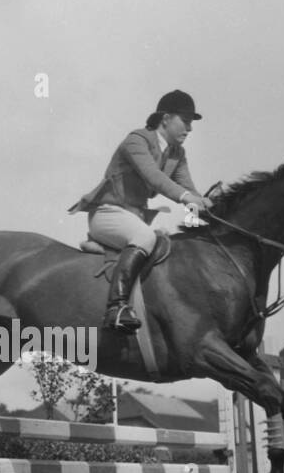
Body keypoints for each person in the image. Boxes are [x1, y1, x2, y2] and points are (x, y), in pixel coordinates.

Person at [69, 90, 213, 333]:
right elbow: (155, 178)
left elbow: (188, 189)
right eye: (185, 121)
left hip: (132, 218)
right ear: (166, 118)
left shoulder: (177, 154)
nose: (190, 128)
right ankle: (117, 307)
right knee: (147, 238)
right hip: (107, 213)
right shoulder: (137, 140)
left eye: (191, 123)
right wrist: (188, 198)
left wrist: (207, 203)